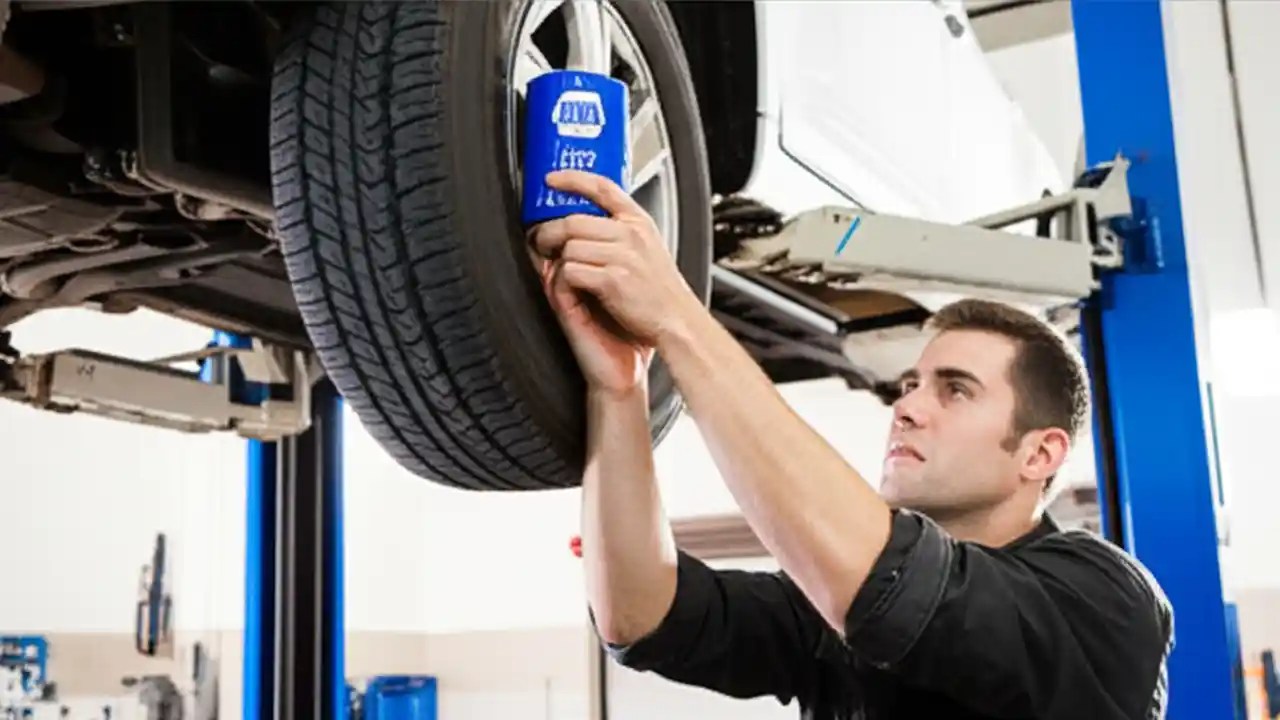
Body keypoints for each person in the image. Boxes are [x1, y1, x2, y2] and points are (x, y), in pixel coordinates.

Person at [530, 169, 1174, 720]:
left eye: (956, 390)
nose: (908, 406)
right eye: (912, 383)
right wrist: (619, 393)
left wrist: (677, 316)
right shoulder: (830, 597)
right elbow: (642, 618)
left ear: (1040, 454)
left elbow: (889, 585)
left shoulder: (1105, 601)